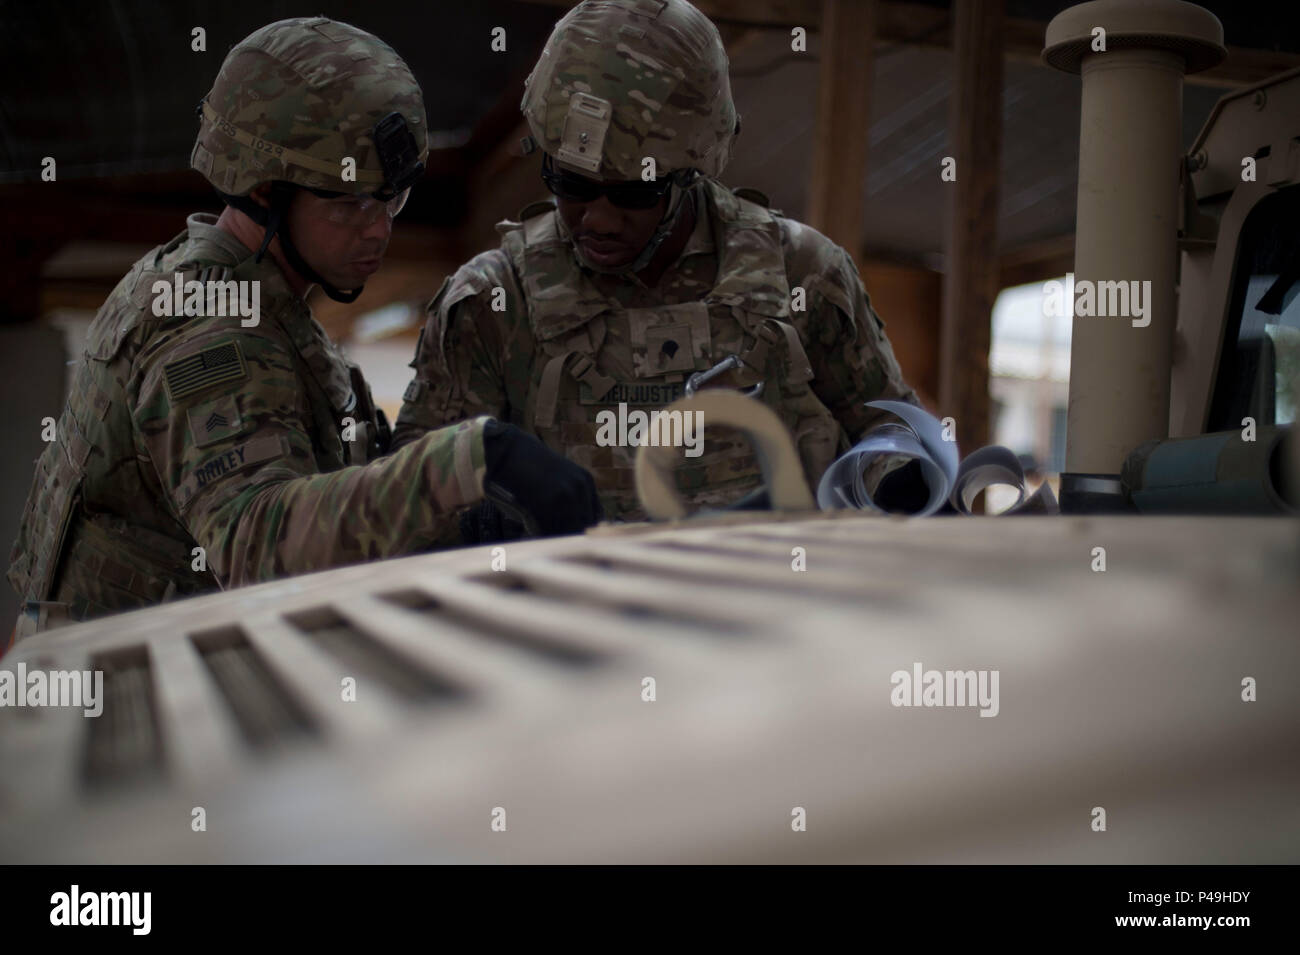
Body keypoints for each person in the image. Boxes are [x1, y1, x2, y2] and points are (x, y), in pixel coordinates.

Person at [7, 17, 599, 642]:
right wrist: (464, 463)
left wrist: (460, 519)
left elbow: (326, 499)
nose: (378, 230)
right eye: (349, 203)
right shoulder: (207, 319)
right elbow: (256, 542)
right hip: (123, 702)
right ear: (262, 189)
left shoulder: (265, 306)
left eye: (390, 200)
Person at [393, 0, 919, 530]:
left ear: (694, 171)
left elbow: (888, 424)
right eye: (571, 184)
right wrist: (478, 514)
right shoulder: (494, 299)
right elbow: (411, 490)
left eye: (632, 193)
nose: (596, 219)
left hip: (777, 596)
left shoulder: (802, 273)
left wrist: (902, 480)